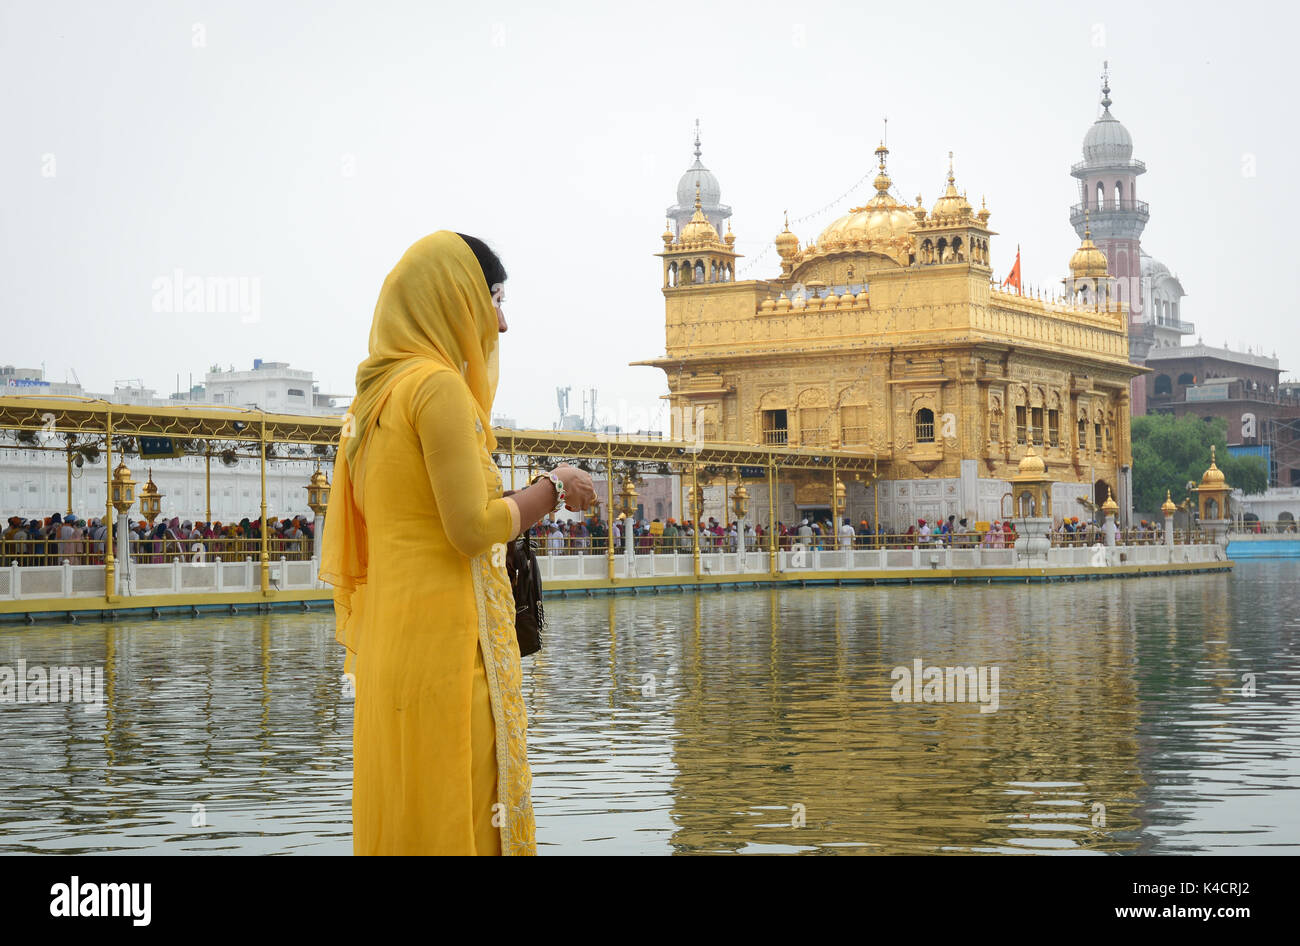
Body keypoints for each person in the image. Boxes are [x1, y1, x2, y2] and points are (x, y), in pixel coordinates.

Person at [320, 231, 595, 856]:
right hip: (448, 649)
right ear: (454, 299)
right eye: (492, 298)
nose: (501, 320)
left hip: (390, 649)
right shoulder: (437, 387)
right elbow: (469, 527)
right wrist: (554, 486)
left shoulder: (370, 402)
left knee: (407, 814)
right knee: (462, 818)